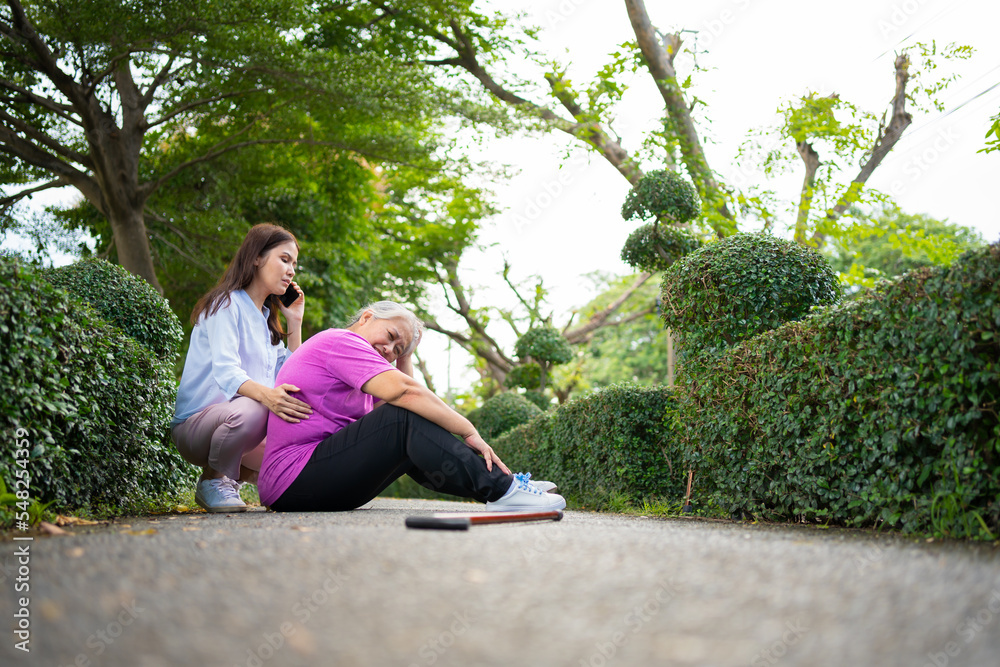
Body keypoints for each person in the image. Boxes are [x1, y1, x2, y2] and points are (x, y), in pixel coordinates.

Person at [257, 301, 565, 513]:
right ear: (366, 318)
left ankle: (501, 487)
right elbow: (406, 396)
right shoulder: (341, 342)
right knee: (401, 416)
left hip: (312, 483)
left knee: (406, 420)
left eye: (397, 349)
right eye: (390, 336)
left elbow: (410, 404)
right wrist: (469, 430)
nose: (389, 350)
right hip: (294, 480)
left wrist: (405, 356)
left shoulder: (362, 368)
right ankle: (503, 490)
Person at [171, 223, 313, 513]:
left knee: (289, 465)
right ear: (256, 258)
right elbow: (227, 373)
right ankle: (213, 479)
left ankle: (235, 479)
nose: (291, 271)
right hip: (196, 427)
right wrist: (269, 397)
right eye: (284, 259)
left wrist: (294, 322)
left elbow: (292, 375)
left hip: (242, 422)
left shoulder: (265, 321)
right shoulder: (225, 304)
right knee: (262, 403)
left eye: (294, 264)